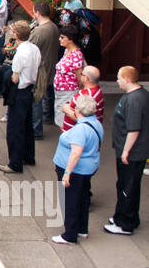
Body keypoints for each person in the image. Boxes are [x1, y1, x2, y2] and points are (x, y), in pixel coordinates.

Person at [52, 95, 103, 245]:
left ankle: (70, 234)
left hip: (76, 170)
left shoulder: (81, 129)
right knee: (83, 198)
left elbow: (76, 152)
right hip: (88, 168)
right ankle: (82, 229)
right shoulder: (96, 123)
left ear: (79, 110)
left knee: (70, 201)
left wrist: (67, 173)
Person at [105, 66, 149, 235]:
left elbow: (134, 129)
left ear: (127, 79)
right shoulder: (141, 95)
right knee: (129, 185)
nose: (117, 81)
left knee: (126, 186)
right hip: (134, 151)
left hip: (132, 152)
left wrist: (125, 151)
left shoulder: (134, 100)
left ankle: (125, 222)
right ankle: (126, 216)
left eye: (119, 78)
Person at [0, 21, 41, 173]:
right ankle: (28, 156)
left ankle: (14, 163)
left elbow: (15, 78)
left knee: (14, 128)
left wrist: (4, 71)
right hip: (29, 89)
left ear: (16, 35)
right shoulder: (34, 49)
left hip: (19, 91)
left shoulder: (20, 54)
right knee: (27, 126)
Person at [30, 0, 60, 140]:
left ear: (38, 13)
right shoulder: (54, 27)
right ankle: (48, 117)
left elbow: (30, 50)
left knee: (37, 99)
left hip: (40, 70)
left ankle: (36, 130)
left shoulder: (39, 32)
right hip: (51, 66)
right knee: (48, 94)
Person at [53, 27, 85, 127]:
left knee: (65, 120)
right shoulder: (66, 51)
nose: (60, 39)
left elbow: (80, 77)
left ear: (70, 39)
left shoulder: (76, 55)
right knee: (60, 117)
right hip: (60, 92)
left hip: (69, 92)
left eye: (62, 37)